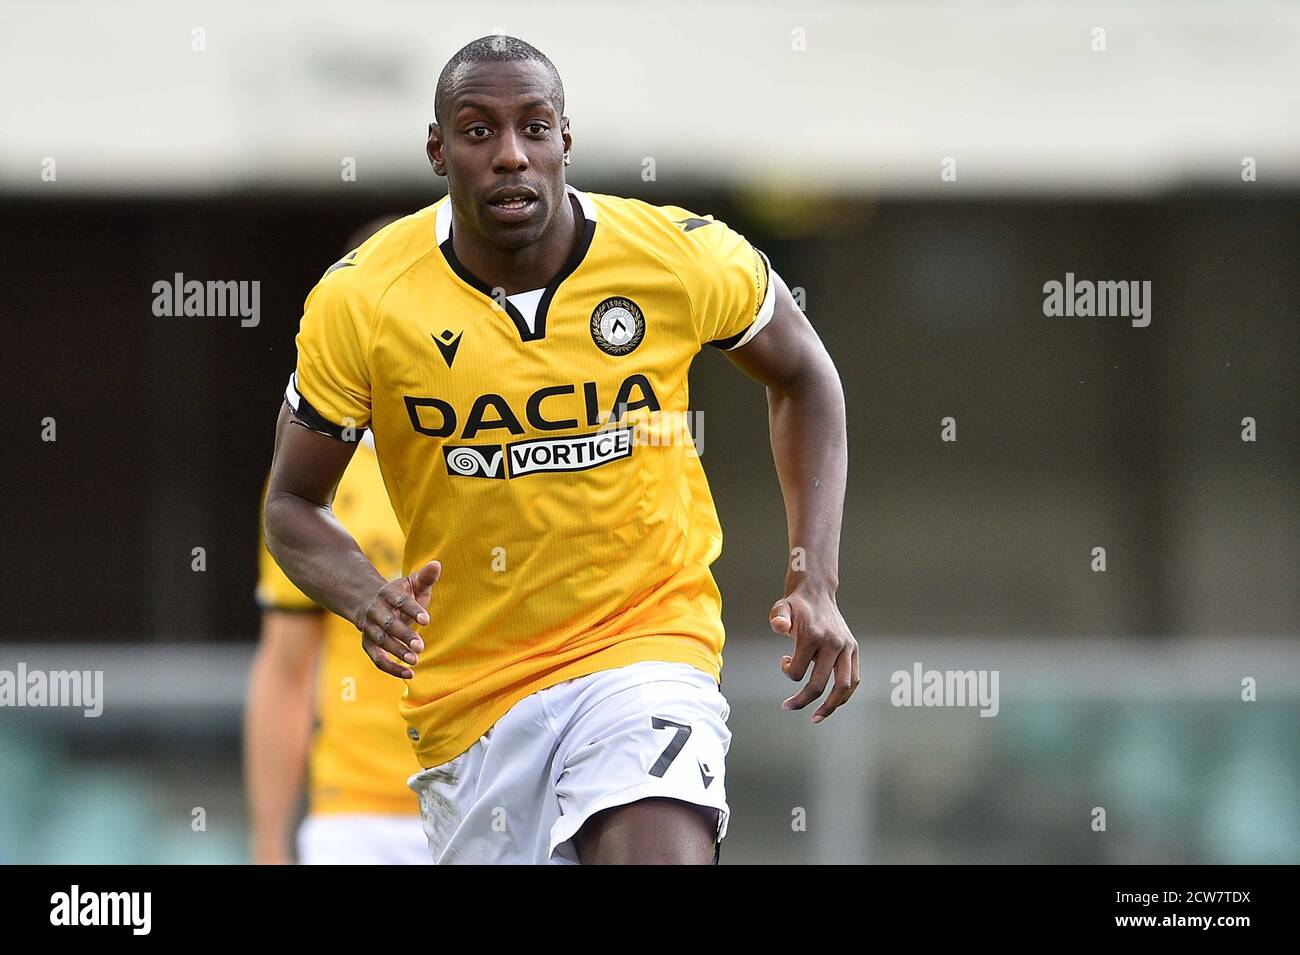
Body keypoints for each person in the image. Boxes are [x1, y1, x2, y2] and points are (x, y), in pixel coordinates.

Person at [263, 35, 856, 865]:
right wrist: (366, 595)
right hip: (473, 703)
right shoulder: (362, 299)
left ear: (565, 141)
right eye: (478, 132)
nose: (511, 155)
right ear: (437, 149)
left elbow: (805, 375)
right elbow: (292, 505)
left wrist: (815, 579)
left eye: (534, 128)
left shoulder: (675, 257)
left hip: (646, 646)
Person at [245, 221, 430, 865]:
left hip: (497, 789)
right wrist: (270, 844)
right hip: (357, 816)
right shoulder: (310, 474)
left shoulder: (504, 440)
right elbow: (285, 668)